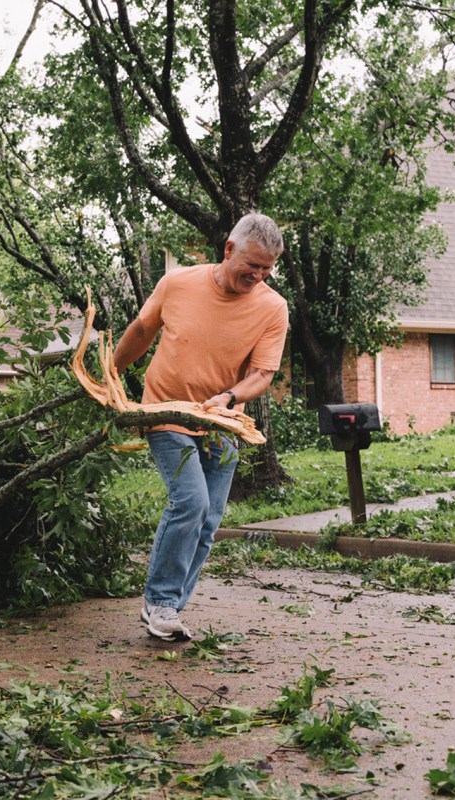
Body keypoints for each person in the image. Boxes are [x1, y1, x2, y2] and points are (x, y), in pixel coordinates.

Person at [112, 213, 289, 641]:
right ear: (229, 249)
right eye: (253, 264)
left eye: (267, 268)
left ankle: (167, 607)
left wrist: (230, 398)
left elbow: (263, 373)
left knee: (208, 519)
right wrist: (110, 375)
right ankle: (162, 602)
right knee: (189, 502)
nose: (259, 275)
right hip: (166, 410)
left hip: (222, 421)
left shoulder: (272, 307)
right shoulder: (178, 283)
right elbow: (140, 331)